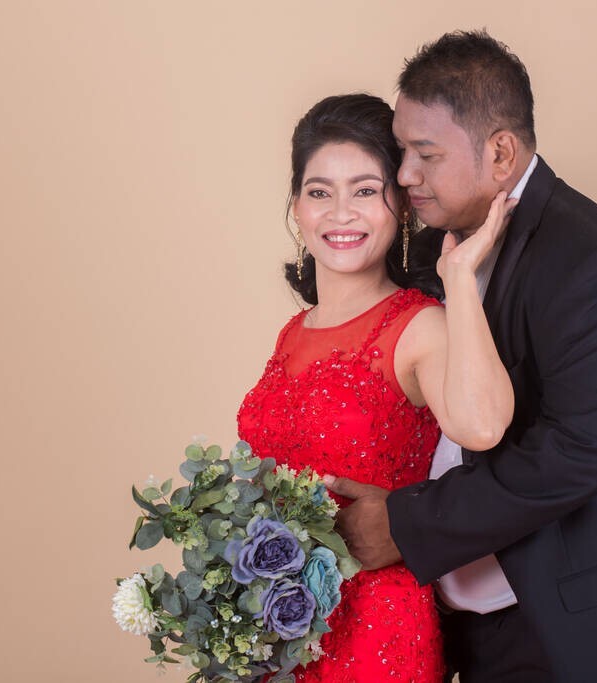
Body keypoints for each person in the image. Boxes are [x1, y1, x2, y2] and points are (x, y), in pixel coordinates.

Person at [324, 31, 597, 682]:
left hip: (583, 630)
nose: (405, 175)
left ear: (501, 153)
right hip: (463, 628)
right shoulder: (430, 246)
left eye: (426, 155)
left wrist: (404, 524)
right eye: (401, 151)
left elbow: (578, 451)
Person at [237, 93, 517, 682]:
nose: (341, 213)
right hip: (281, 632)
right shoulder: (293, 332)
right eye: (320, 192)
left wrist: (459, 279)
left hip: (376, 628)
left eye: (365, 190)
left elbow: (483, 427)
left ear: (403, 206)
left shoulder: (420, 325)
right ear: (296, 207)